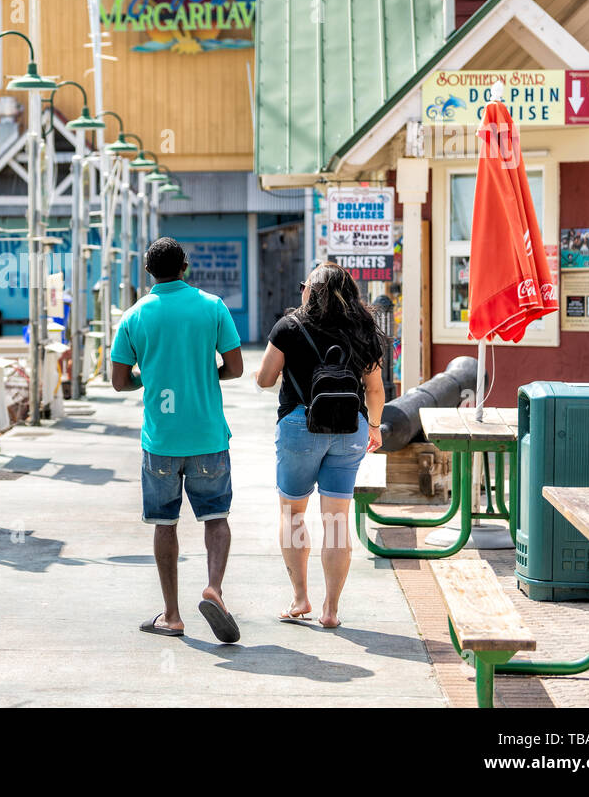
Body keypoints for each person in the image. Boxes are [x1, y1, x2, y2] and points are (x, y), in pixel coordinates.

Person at [111, 237, 244, 643]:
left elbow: (119, 382)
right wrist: (204, 376)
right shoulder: (212, 306)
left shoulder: (134, 317)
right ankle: (214, 589)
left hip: (161, 443)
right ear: (185, 266)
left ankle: (172, 615)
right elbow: (235, 368)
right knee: (215, 518)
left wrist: (146, 377)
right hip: (207, 436)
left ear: (148, 272)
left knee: (164, 525)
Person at [254, 262, 386, 629]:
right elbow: (375, 390)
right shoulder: (363, 329)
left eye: (303, 286)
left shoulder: (289, 327)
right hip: (351, 429)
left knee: (293, 514)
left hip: (299, 426)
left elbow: (265, 380)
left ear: (311, 291)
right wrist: (374, 427)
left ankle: (300, 599)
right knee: (337, 521)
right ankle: (331, 610)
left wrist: (264, 373)